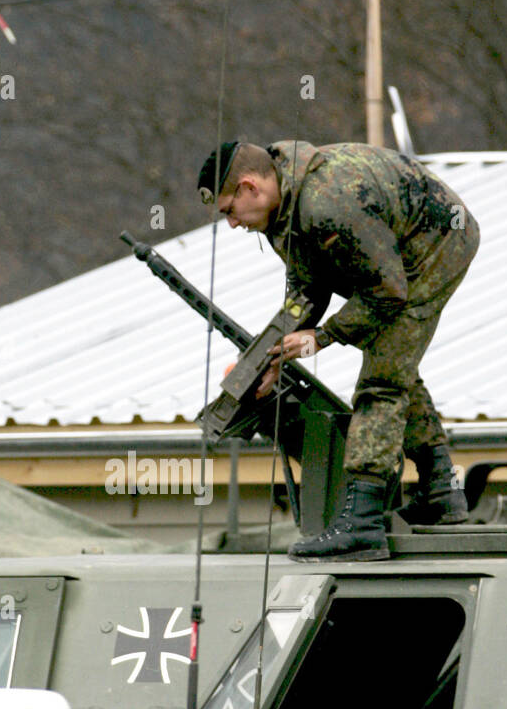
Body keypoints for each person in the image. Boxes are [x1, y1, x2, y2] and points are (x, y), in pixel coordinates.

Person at [196, 139, 481, 561]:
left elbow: (388, 292)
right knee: (395, 361)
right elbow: (306, 290)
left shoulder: (328, 201)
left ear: (250, 188)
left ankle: (362, 524)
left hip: (435, 244)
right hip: (391, 252)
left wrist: (323, 337)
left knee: (382, 382)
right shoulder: (282, 210)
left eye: (229, 212)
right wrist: (271, 358)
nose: (233, 225)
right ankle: (441, 492)